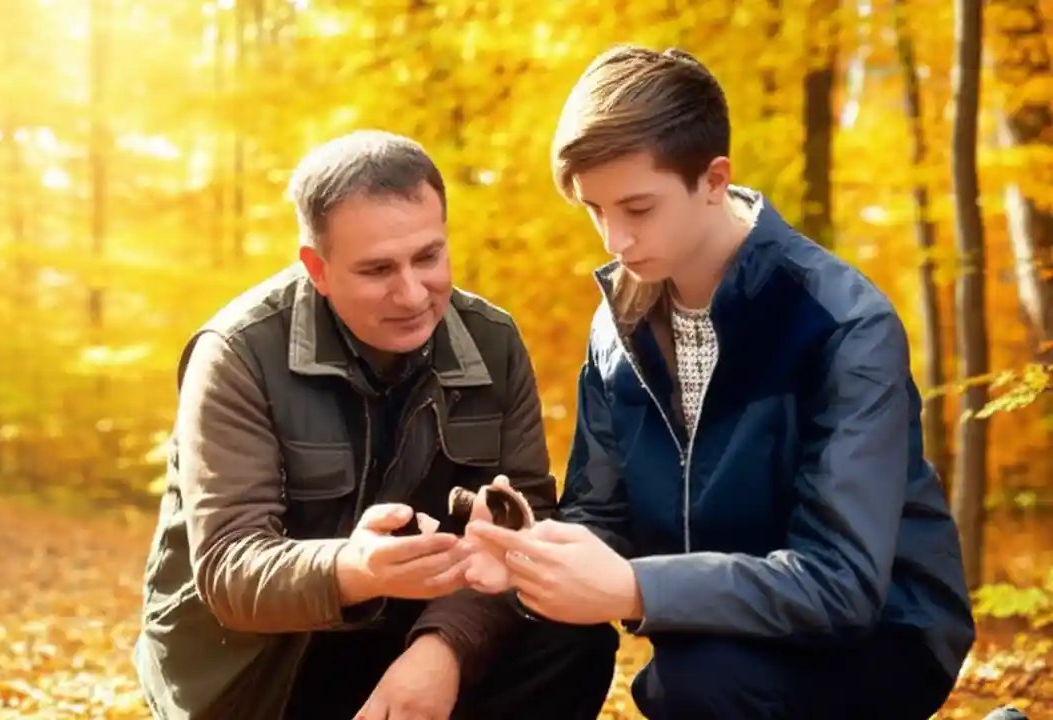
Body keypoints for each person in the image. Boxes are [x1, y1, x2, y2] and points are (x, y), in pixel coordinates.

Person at [464, 45, 976, 719]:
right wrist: (531, 557)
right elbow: (603, 517)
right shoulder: (617, 322)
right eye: (594, 210)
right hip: (713, 632)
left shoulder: (842, 323)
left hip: (883, 630)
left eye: (638, 208)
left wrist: (633, 586)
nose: (614, 239)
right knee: (536, 640)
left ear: (713, 179)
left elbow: (843, 585)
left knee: (692, 685)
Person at [132, 129, 618, 720]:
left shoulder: (492, 343)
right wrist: (354, 569)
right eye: (377, 269)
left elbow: (528, 522)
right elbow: (230, 571)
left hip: (418, 630)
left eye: (428, 257)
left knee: (574, 641)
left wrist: (444, 649)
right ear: (318, 267)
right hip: (267, 664)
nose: (412, 293)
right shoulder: (237, 354)